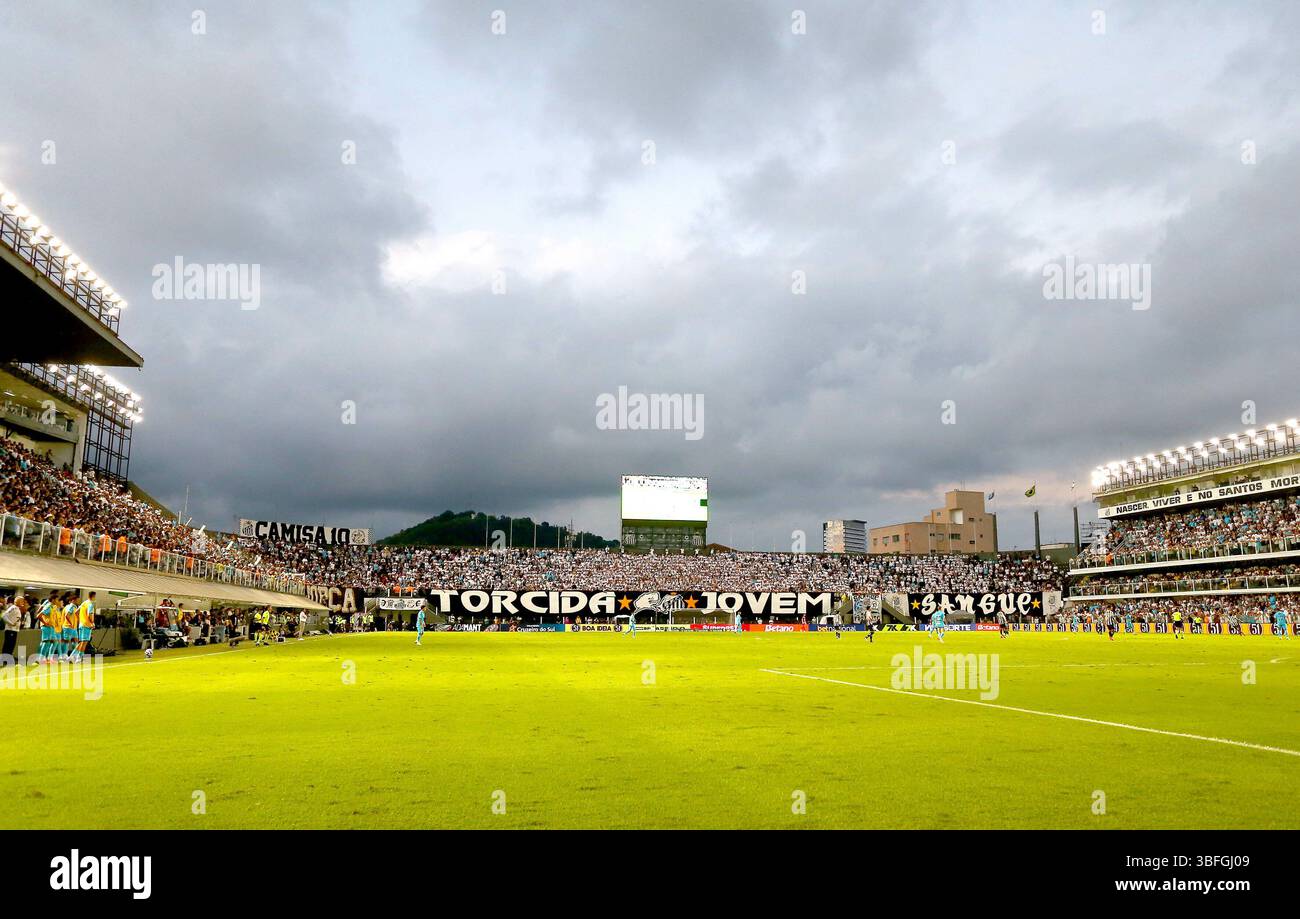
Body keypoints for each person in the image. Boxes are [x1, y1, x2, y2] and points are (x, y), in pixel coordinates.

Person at [1, 595, 21, 665]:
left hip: (14, 630)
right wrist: (11, 623)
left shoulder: (17, 608)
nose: (23, 602)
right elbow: (3, 615)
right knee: (8, 645)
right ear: (16, 601)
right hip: (10, 630)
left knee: (11, 645)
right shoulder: (13, 608)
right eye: (21, 601)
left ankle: (7, 660)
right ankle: (4, 660)